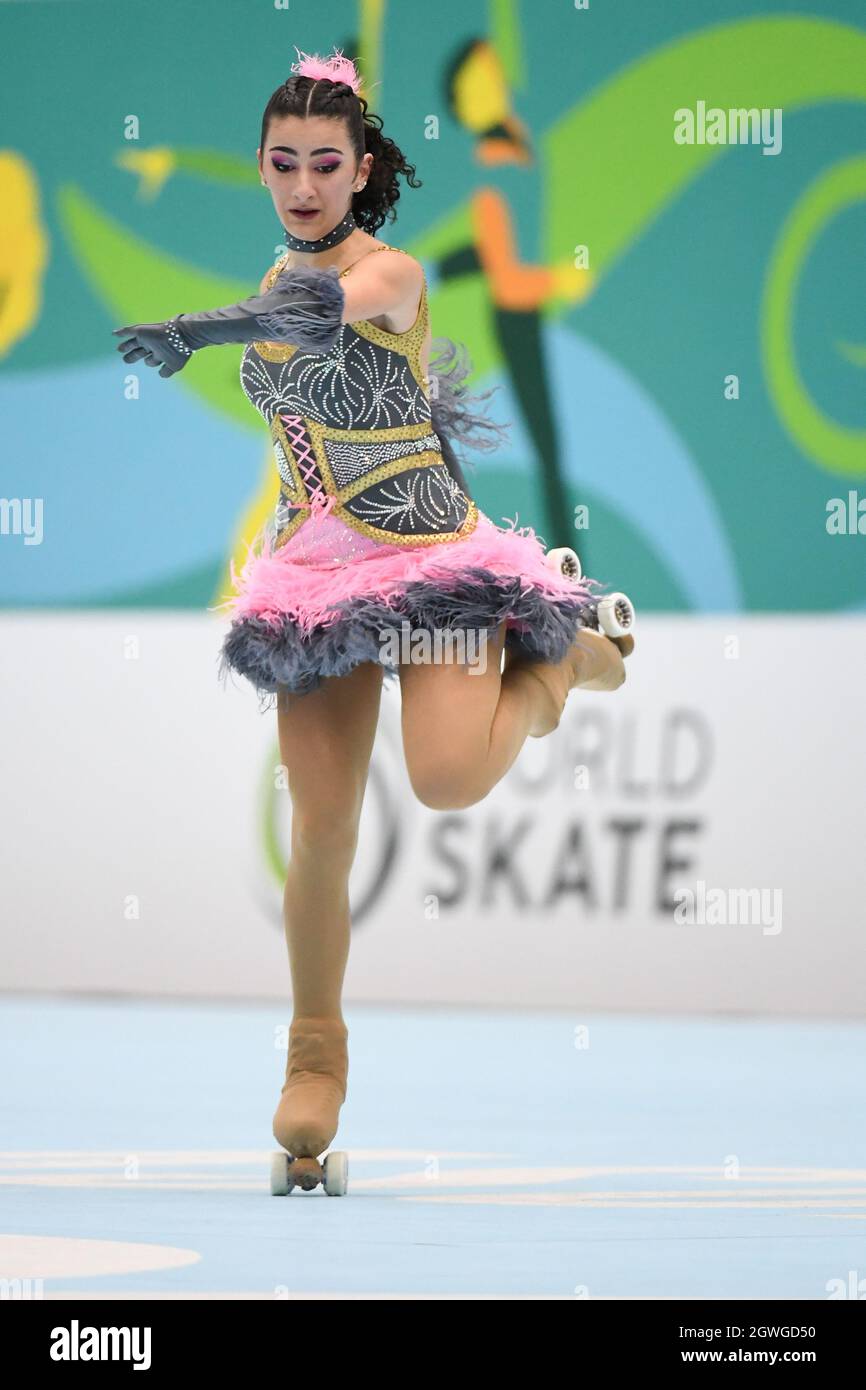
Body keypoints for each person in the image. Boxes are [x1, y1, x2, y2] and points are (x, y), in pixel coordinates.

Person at [113, 46, 634, 1187]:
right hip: (317, 573)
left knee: (446, 776)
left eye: (325, 164)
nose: (304, 183)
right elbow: (292, 432)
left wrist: (193, 332)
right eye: (283, 162)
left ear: (360, 173)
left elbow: (310, 316)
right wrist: (267, 546)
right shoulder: (270, 266)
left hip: (428, 564)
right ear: (262, 167)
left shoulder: (388, 274)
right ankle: (314, 1059)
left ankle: (555, 659)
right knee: (323, 824)